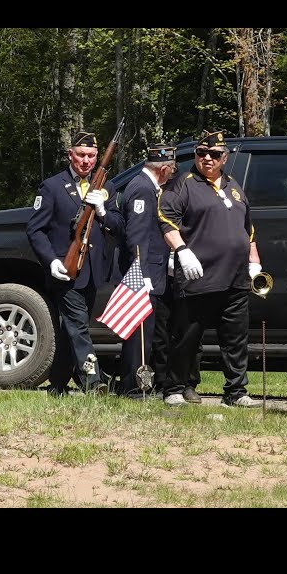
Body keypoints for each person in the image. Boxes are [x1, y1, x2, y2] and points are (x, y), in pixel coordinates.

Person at [158, 130, 262, 407]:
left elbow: (248, 229)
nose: (207, 158)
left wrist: (254, 261)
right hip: (199, 275)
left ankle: (236, 391)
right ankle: (175, 387)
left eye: (214, 155)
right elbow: (166, 219)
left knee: (236, 338)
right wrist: (182, 251)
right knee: (187, 336)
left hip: (236, 277)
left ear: (224, 158)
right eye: (202, 153)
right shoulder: (184, 184)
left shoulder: (233, 186)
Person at [26, 130, 120, 395]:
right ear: (70, 155)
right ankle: (93, 382)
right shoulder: (52, 187)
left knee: (71, 328)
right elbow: (35, 230)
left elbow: (118, 226)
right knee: (78, 327)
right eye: (80, 155)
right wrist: (51, 261)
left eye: (91, 156)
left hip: (91, 272)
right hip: (65, 271)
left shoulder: (106, 188)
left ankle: (57, 385)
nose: (86, 161)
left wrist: (103, 210)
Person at [113, 144, 177, 399]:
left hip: (152, 270)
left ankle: (130, 383)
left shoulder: (148, 187)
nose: (172, 175)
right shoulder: (142, 189)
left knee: (145, 332)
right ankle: (132, 387)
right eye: (171, 170)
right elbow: (137, 236)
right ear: (164, 169)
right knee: (140, 333)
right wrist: (143, 274)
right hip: (144, 272)